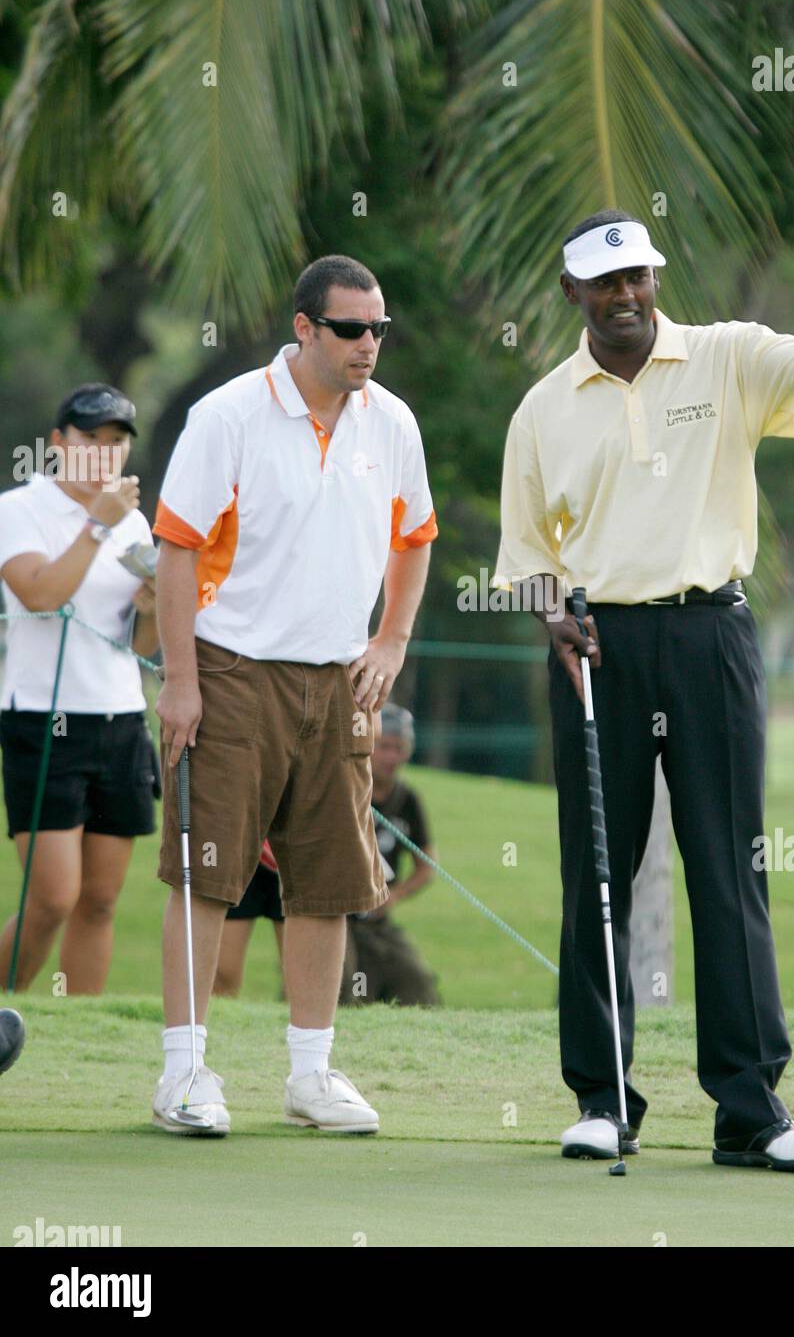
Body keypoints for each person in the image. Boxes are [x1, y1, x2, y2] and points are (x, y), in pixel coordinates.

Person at [494, 210, 794, 1171]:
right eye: (606, 282)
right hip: (600, 647)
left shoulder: (722, 357)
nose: (625, 294)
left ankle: (751, 1111)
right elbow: (528, 555)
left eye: (638, 276)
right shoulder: (543, 408)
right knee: (597, 870)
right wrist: (552, 617)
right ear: (573, 294)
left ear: (653, 279)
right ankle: (602, 1098)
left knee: (729, 867)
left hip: (712, 631)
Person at [151, 253, 436, 1136]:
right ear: (305, 329)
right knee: (207, 876)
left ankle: (311, 1075)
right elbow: (175, 550)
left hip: (339, 676)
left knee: (327, 882)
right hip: (232, 670)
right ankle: (184, 1074)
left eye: (379, 328)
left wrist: (390, 638)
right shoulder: (228, 414)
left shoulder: (390, 423)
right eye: (352, 329)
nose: (369, 345)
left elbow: (415, 534)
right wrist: (184, 685)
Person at [0, 385, 160, 993]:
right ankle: (6, 1019)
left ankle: (80, 1028)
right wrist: (98, 524)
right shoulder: (21, 509)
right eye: (90, 438)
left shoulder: (134, 522)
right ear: (59, 443)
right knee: (52, 899)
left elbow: (135, 648)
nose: (103, 451)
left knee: (98, 900)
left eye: (116, 441)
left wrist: (149, 609)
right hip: (43, 719)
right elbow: (40, 595)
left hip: (119, 720)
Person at [341, 703, 439, 1006]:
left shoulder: (408, 800)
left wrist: (394, 896)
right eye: (384, 747)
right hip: (339, 917)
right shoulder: (346, 789)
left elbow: (426, 867)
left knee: (417, 984)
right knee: (345, 988)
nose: (391, 757)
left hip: (377, 920)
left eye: (400, 748)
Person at [213, 839, 286, 999]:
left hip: (296, 850)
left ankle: (299, 1023)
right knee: (222, 973)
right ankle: (218, 1022)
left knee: (298, 974)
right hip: (239, 850)